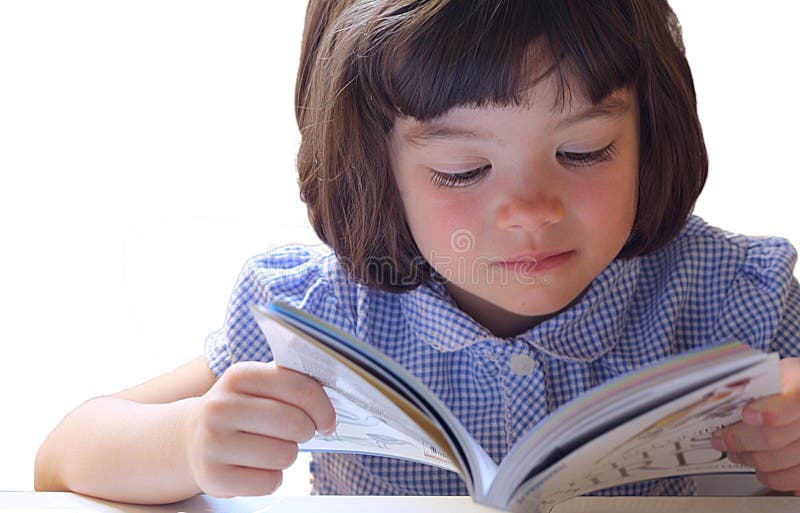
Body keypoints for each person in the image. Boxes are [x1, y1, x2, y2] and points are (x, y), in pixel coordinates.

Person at [34, 0, 800, 504]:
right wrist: (192, 440)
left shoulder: (737, 295)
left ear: (648, 134)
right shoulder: (317, 316)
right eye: (463, 170)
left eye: (586, 150)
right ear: (378, 165)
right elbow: (63, 453)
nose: (531, 209)